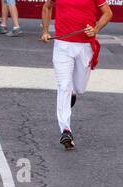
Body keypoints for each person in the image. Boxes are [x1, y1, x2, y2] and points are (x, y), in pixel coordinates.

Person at [41, 0, 112, 150]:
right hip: (62, 45)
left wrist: (95, 29)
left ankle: (73, 93)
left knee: (79, 87)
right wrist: (45, 31)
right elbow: (47, 7)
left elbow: (108, 13)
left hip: (85, 46)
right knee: (64, 86)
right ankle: (65, 130)